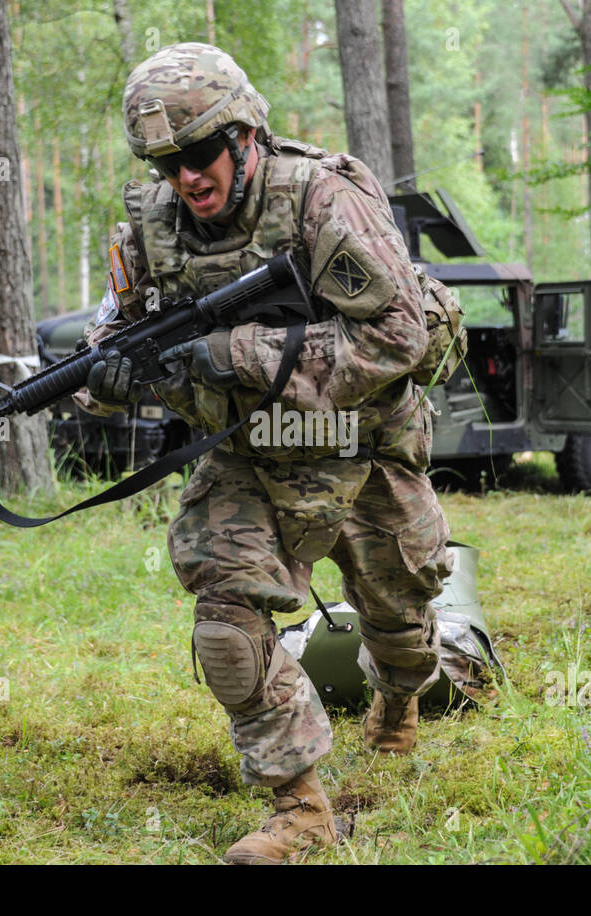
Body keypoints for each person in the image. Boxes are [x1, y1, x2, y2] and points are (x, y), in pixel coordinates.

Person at [75, 42, 454, 865]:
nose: (186, 179)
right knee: (224, 618)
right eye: (165, 163)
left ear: (245, 135)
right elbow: (113, 336)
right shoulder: (151, 227)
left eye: (199, 155)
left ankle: (398, 702)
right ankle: (301, 807)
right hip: (251, 452)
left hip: (363, 437)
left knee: (400, 608)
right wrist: (106, 373)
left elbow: (397, 336)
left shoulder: (322, 198)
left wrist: (238, 353)